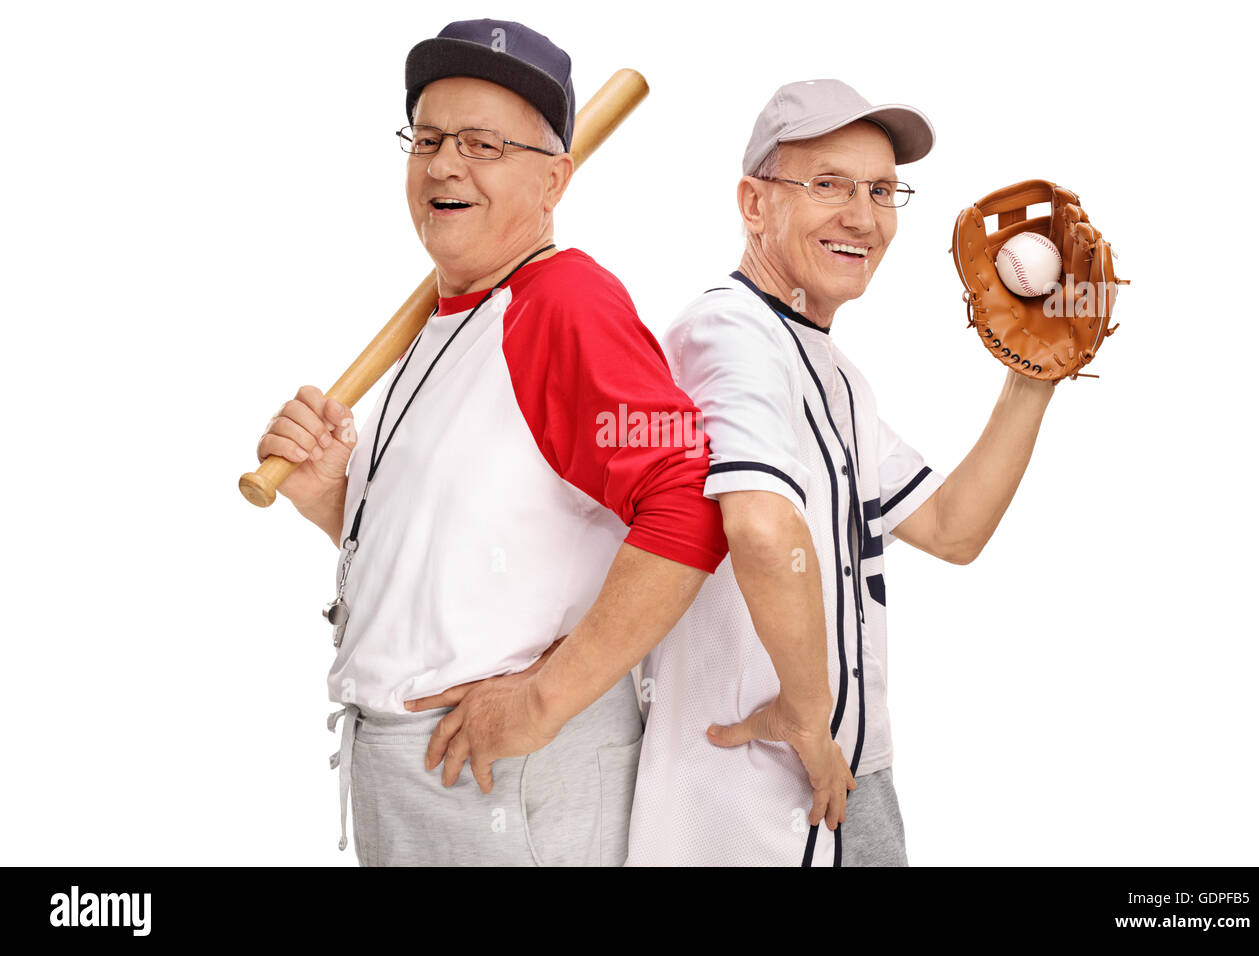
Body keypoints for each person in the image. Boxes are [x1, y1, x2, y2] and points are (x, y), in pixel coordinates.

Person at [255, 19, 728, 866]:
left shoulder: (563, 303)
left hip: (509, 776)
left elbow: (689, 502)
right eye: (429, 138)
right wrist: (338, 498)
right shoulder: (454, 320)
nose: (443, 164)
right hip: (418, 777)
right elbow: (463, 555)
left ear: (554, 179)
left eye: (482, 144)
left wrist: (550, 696)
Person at [621, 79, 1059, 866]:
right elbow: (758, 526)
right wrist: (805, 712)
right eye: (829, 184)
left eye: (882, 190)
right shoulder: (729, 331)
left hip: (845, 773)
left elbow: (954, 530)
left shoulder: (833, 371)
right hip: (751, 796)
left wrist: (1032, 377)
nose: (863, 215)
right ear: (754, 204)